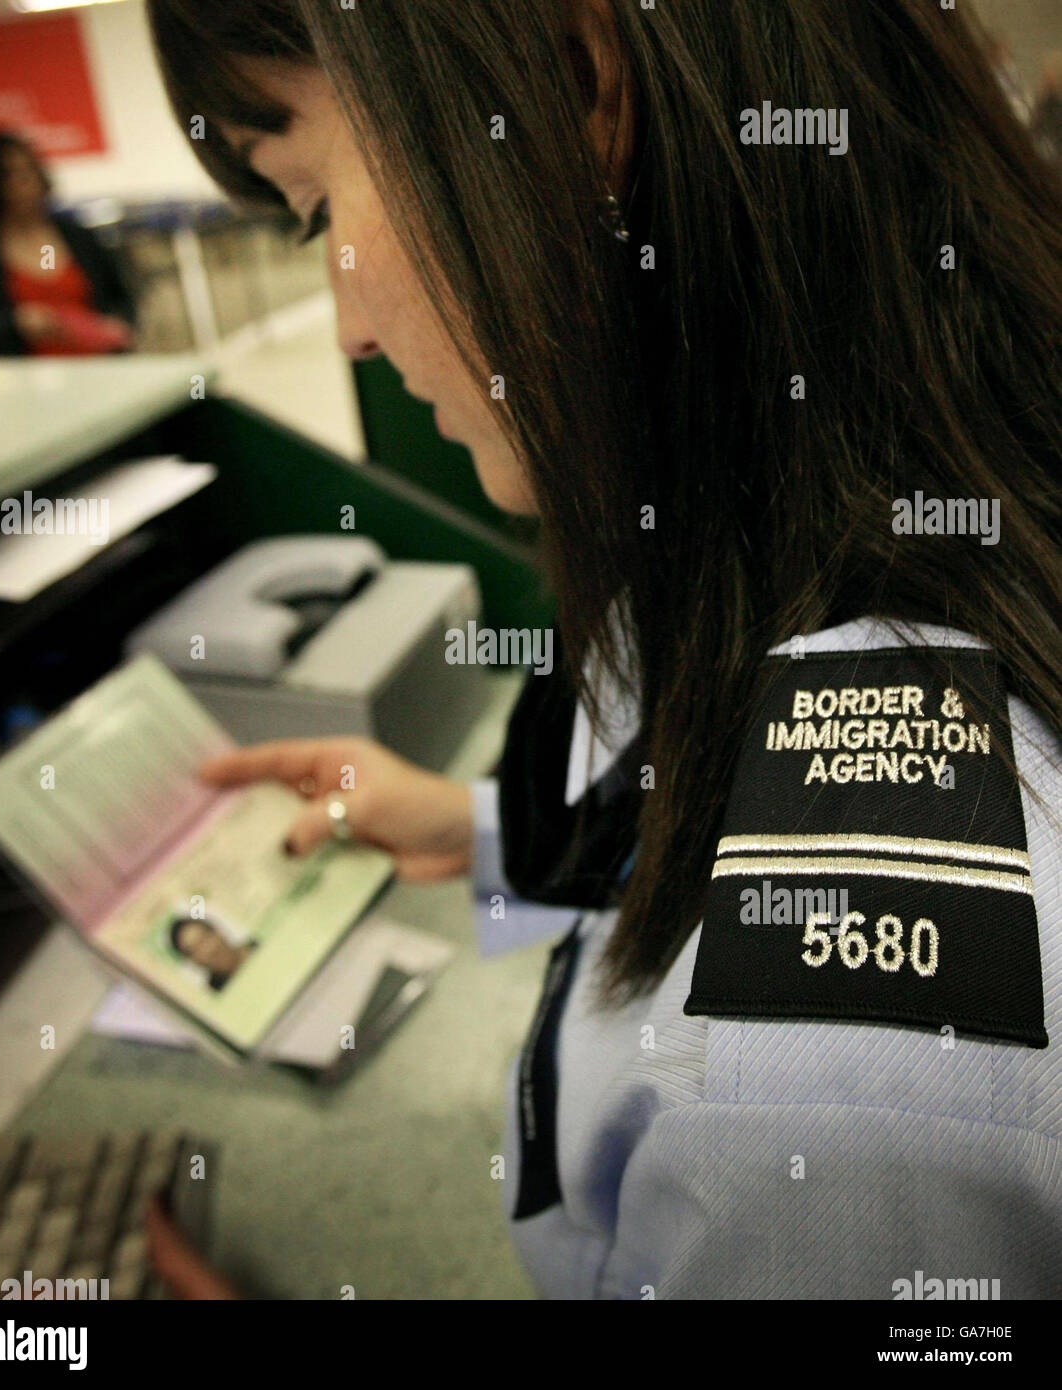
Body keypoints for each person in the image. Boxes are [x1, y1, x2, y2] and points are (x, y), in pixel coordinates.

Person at [142, 0, 1062, 1299]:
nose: (343, 324)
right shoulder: (794, 558)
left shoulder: (816, 1083)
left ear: (573, 85)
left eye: (309, 202)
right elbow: (702, 805)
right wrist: (485, 830)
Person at [0, 132, 136, 357]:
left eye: (29, 170)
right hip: (23, 375)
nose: (24, 183)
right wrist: (15, 324)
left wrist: (117, 324)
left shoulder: (78, 236)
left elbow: (121, 298)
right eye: (9, 174)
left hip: (97, 364)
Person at [167, 914, 256, 991]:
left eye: (205, 937)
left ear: (217, 931)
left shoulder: (259, 946)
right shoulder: (216, 996)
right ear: (194, 962)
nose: (209, 950)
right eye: (196, 949)